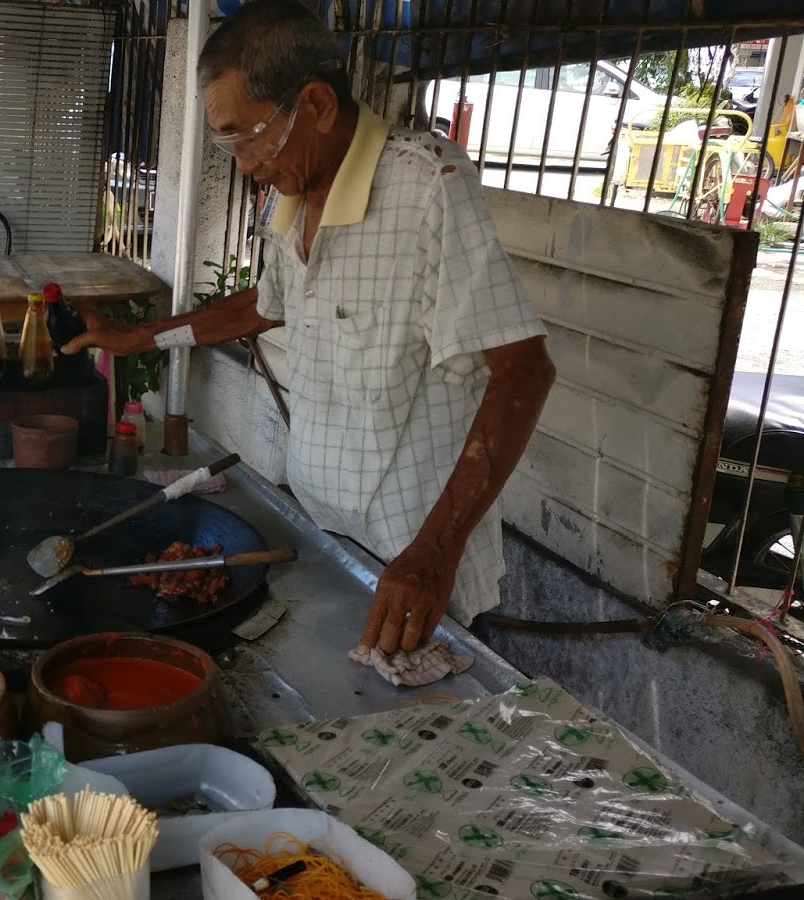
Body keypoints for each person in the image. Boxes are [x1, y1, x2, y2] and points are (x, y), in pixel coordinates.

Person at [65, 0, 556, 657]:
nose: (242, 163)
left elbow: (524, 368)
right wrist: (137, 339)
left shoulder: (427, 185)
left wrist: (433, 554)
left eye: (246, 136)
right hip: (327, 542)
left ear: (318, 105)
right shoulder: (295, 194)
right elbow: (264, 307)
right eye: (226, 141)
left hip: (410, 576)